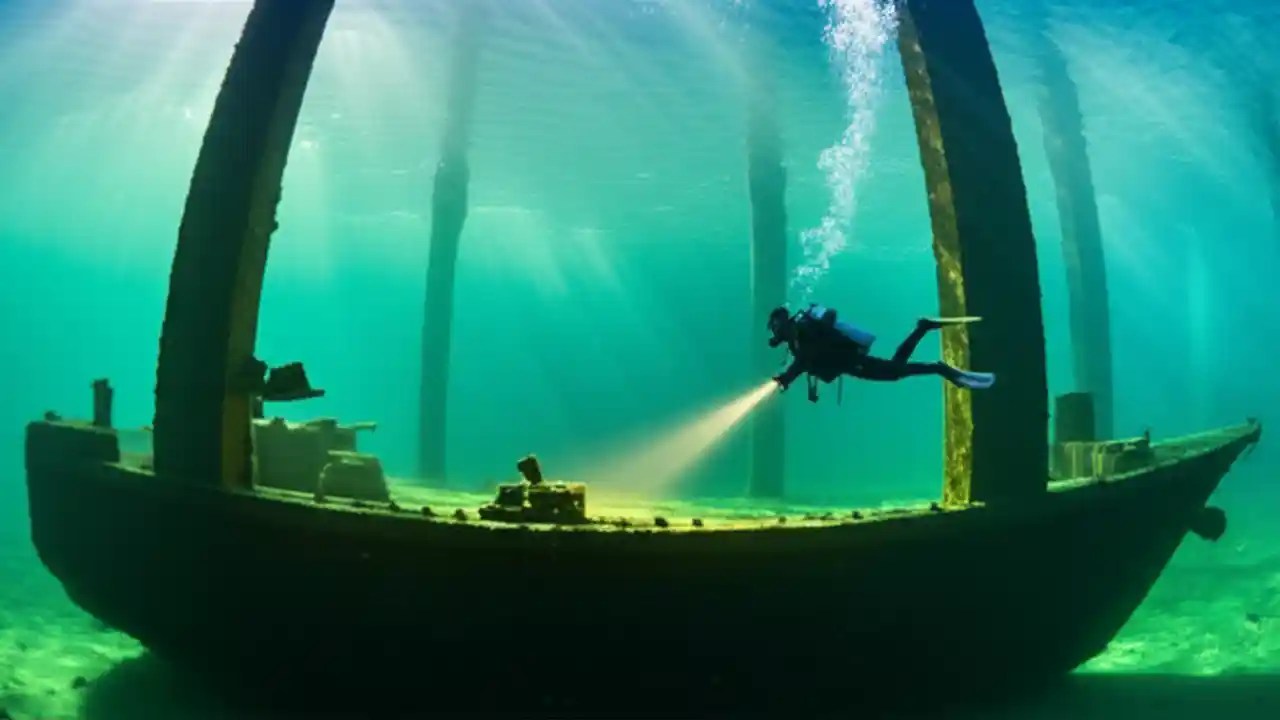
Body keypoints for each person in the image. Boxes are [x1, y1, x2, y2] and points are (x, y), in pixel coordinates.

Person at [767, 304, 995, 400]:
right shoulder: (797, 340)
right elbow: (803, 362)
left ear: (782, 323)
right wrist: (786, 378)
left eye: (775, 328)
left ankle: (940, 367)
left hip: (853, 362)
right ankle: (923, 330)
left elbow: (804, 361)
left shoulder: (801, 332)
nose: (775, 334)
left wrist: (787, 377)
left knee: (895, 371)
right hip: (852, 364)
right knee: (895, 369)